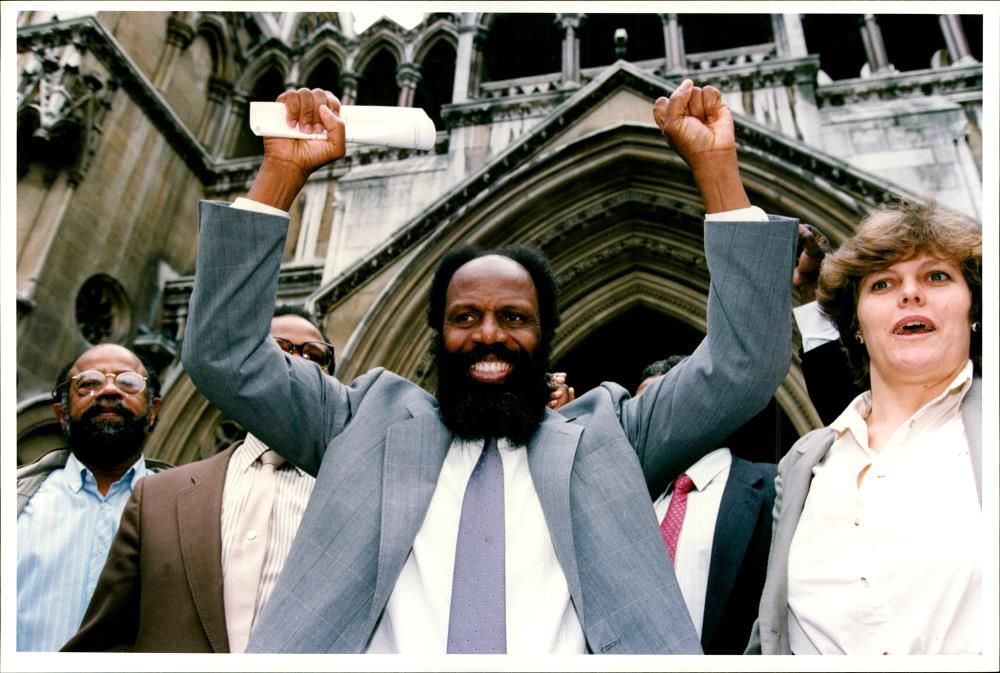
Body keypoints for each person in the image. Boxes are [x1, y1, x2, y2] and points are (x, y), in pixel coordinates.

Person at [181, 80, 798, 654]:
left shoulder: (613, 437)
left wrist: (717, 173)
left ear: (545, 338)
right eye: (465, 317)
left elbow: (743, 365)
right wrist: (280, 175)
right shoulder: (358, 423)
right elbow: (225, 353)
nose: (489, 336)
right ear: (438, 335)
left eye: (514, 318)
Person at [748, 200, 983, 654]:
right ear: (854, 324)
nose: (910, 294)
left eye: (937, 276)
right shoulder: (804, 466)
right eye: (883, 283)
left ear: (974, 307)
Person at [63, 307, 333, 652]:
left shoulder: (363, 499)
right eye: (277, 349)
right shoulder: (157, 497)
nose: (296, 363)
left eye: (314, 355)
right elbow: (102, 645)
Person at [16, 344, 171, 651]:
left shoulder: (183, 511)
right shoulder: (17, 502)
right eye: (88, 383)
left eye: (128, 382)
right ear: (62, 414)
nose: (109, 390)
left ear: (153, 411)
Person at [637, 357, 777, 654]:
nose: (646, 422)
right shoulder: (622, 502)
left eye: (660, 406)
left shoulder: (777, 486)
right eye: (639, 412)